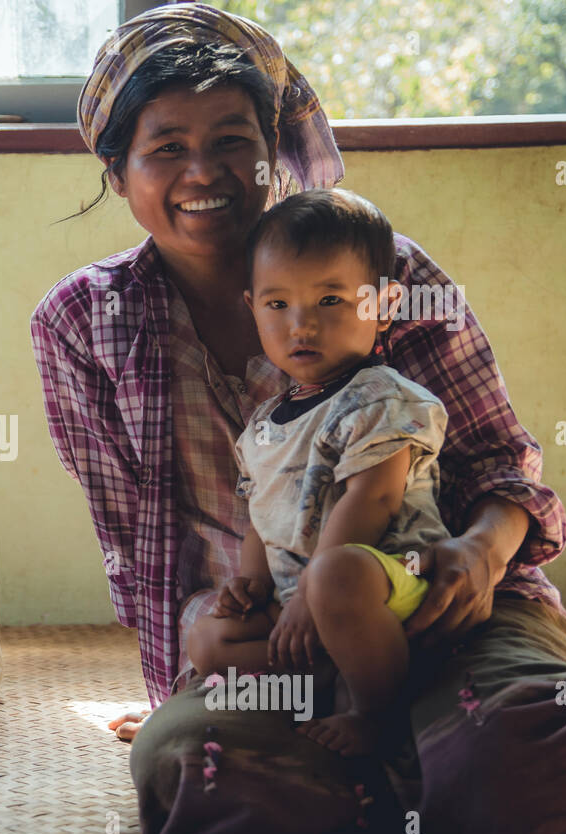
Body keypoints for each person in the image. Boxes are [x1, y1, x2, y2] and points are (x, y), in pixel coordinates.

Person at [31, 3, 566, 834]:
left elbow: (501, 464)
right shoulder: (82, 323)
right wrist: (199, 630)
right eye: (166, 148)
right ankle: (418, 793)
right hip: (279, 643)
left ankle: (427, 784)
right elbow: (139, 552)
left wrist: (481, 556)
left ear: (272, 148)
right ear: (118, 172)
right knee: (197, 770)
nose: (205, 172)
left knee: (524, 752)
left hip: (455, 611)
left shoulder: (390, 275)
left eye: (232, 139)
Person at [193, 187, 451, 758]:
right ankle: (331, 673)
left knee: (336, 575)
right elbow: (261, 513)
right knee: (208, 639)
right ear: (252, 306)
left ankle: (375, 714)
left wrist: (312, 593)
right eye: (277, 304)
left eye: (330, 300)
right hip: (300, 601)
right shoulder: (265, 421)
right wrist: (251, 583)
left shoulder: (381, 397)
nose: (301, 324)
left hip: (388, 583)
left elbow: (376, 500)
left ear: (384, 305)